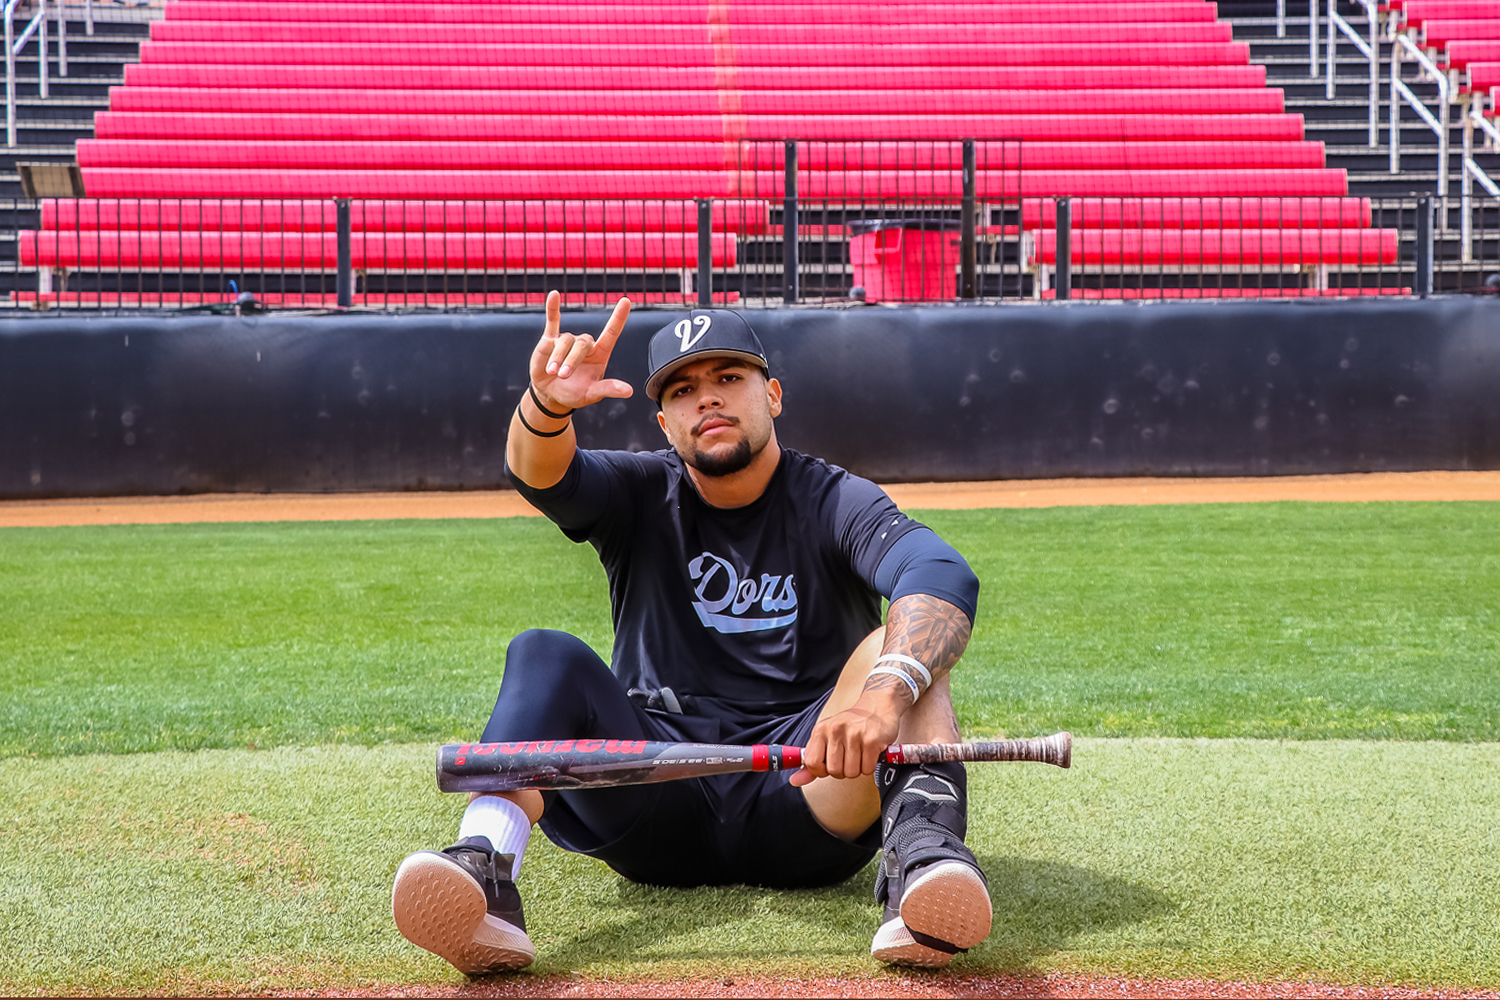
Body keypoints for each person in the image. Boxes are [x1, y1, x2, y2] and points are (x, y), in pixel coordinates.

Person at [391, 292, 989, 973]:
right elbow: (542, 476)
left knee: (911, 649)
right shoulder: (641, 492)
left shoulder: (833, 499)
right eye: (684, 389)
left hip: (810, 783)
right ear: (664, 420)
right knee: (543, 653)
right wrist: (547, 407)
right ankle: (483, 868)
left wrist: (883, 696)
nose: (708, 399)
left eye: (728, 379)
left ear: (773, 395)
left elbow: (940, 571)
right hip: (655, 788)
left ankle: (923, 863)